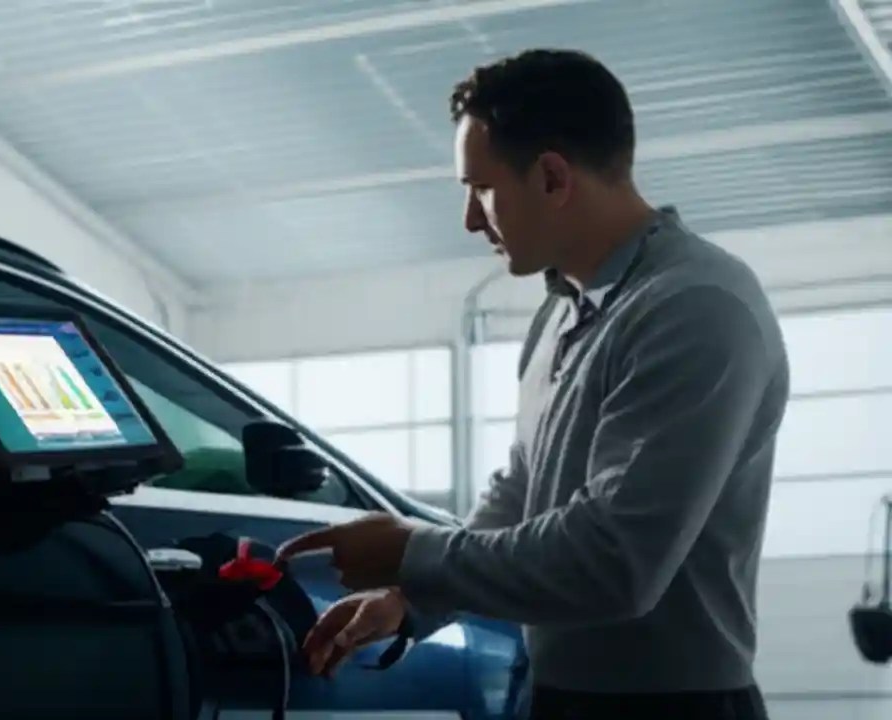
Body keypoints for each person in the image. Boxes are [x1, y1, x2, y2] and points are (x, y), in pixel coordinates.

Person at [275, 49, 789, 720]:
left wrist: (414, 552)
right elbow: (523, 491)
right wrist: (411, 598)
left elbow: (614, 563)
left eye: (481, 189)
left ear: (551, 177)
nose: (469, 219)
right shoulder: (564, 308)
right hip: (561, 697)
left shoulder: (694, 309)